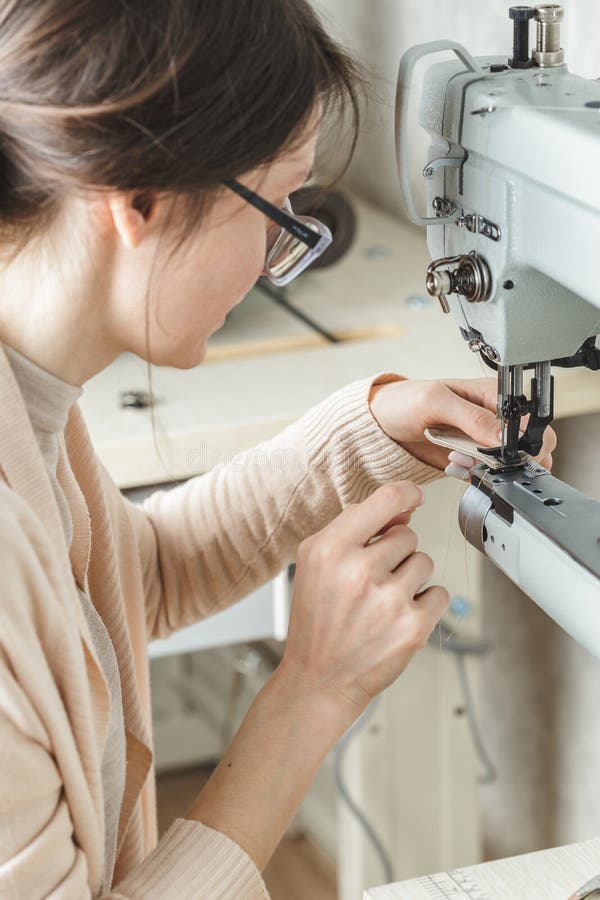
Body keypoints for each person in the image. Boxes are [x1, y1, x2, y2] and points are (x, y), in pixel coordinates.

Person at [0, 1, 556, 897]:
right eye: (277, 207)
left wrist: (367, 434)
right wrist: (311, 694)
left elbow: (132, 582)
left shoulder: (31, 404)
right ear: (138, 200)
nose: (277, 253)